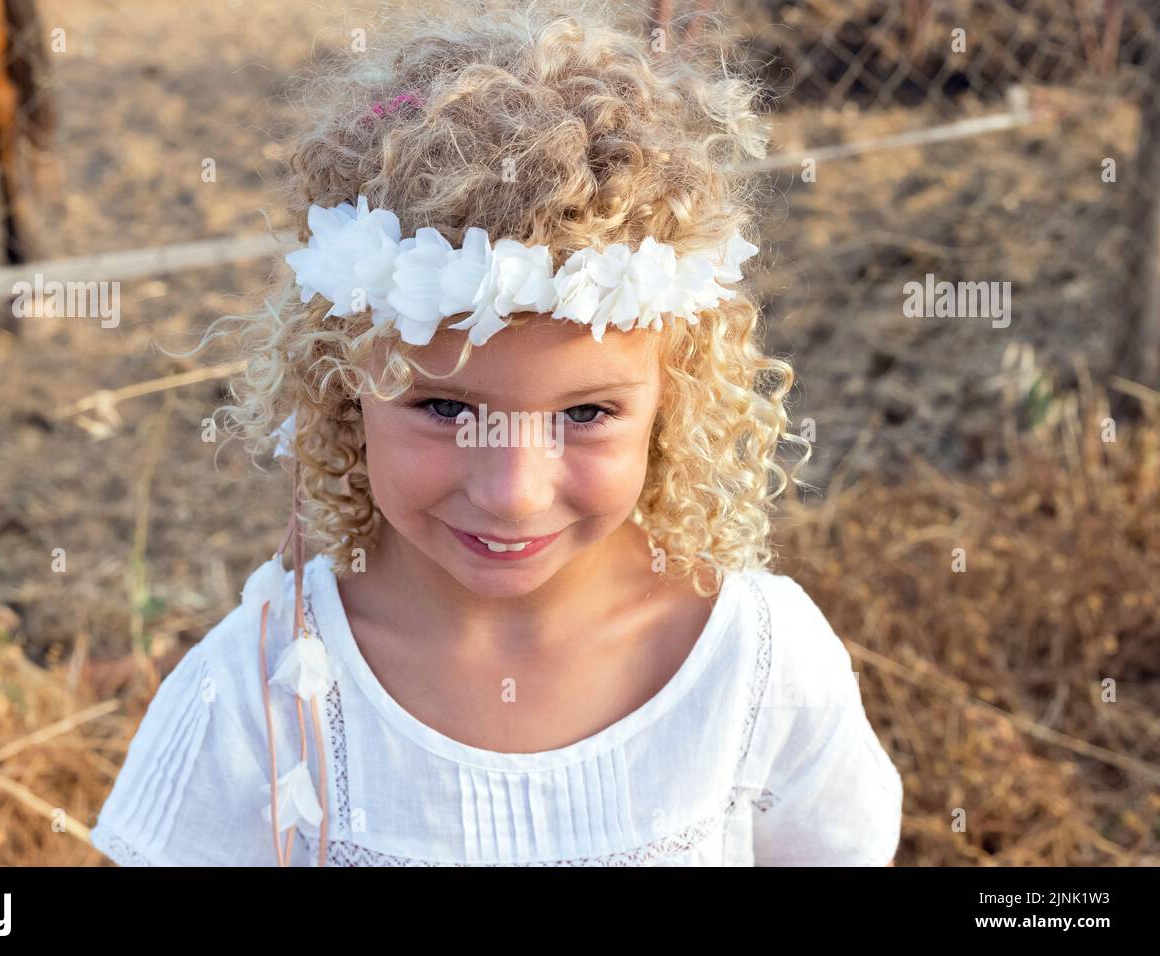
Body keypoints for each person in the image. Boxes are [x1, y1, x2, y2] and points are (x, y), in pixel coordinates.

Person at [89, 0, 903, 867]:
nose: (513, 490)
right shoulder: (259, 695)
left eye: (585, 415)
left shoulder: (759, 663)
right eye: (445, 409)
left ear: (676, 398)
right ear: (340, 383)